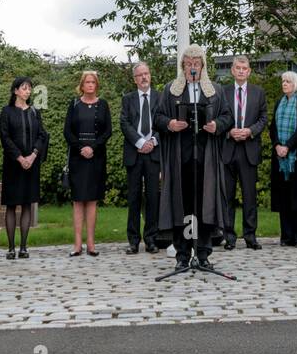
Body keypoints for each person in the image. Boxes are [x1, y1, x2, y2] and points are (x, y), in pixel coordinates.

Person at [154, 44, 231, 272]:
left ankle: (204, 253)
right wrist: (170, 124)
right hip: (180, 158)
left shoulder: (214, 90)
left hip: (205, 158)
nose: (192, 67)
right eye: (188, 64)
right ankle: (182, 253)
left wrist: (217, 125)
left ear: (203, 65)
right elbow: (157, 116)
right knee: (183, 206)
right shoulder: (172, 90)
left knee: (204, 205)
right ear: (182, 65)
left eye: (196, 63)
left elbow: (228, 116)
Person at [220, 54, 268, 250]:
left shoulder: (258, 93)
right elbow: (218, 117)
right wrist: (229, 132)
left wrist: (250, 131)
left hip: (249, 148)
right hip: (229, 148)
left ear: (249, 71)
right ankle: (229, 237)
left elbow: (263, 118)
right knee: (228, 196)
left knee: (249, 196)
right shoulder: (223, 92)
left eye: (244, 68)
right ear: (232, 70)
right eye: (237, 68)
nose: (241, 71)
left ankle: (250, 236)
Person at [63, 70, 112, 257]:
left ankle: (91, 243)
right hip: (77, 157)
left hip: (97, 157)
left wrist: (93, 147)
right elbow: (67, 131)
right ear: (82, 85)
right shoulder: (74, 104)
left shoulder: (103, 104)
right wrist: (80, 148)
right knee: (78, 201)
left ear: (96, 85)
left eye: (93, 82)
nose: (90, 85)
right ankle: (77, 244)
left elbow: (108, 131)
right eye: (87, 82)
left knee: (92, 200)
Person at [0, 77, 48, 259]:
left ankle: (23, 247)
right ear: (15, 91)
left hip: (31, 164)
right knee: (11, 205)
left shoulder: (35, 112)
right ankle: (11, 247)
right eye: (24, 88)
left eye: (29, 89)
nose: (28, 91)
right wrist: (20, 157)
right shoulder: (7, 111)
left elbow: (41, 135)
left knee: (27, 204)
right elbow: (5, 137)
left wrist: (33, 155)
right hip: (13, 164)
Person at [120, 61, 160, 254]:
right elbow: (124, 123)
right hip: (134, 154)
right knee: (134, 198)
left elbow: (164, 123)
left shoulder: (160, 98)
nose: (144, 77)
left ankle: (151, 239)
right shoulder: (128, 99)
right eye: (140, 75)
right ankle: (133, 241)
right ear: (134, 79)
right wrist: (140, 142)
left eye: (146, 74)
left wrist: (152, 141)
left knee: (153, 197)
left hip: (153, 154)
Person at [269, 71, 297, 247]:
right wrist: (278, 145)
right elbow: (273, 128)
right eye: (283, 81)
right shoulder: (279, 102)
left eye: (288, 81)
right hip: (280, 158)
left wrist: (287, 146)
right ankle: (287, 237)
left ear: (295, 84)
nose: (284, 84)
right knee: (284, 197)